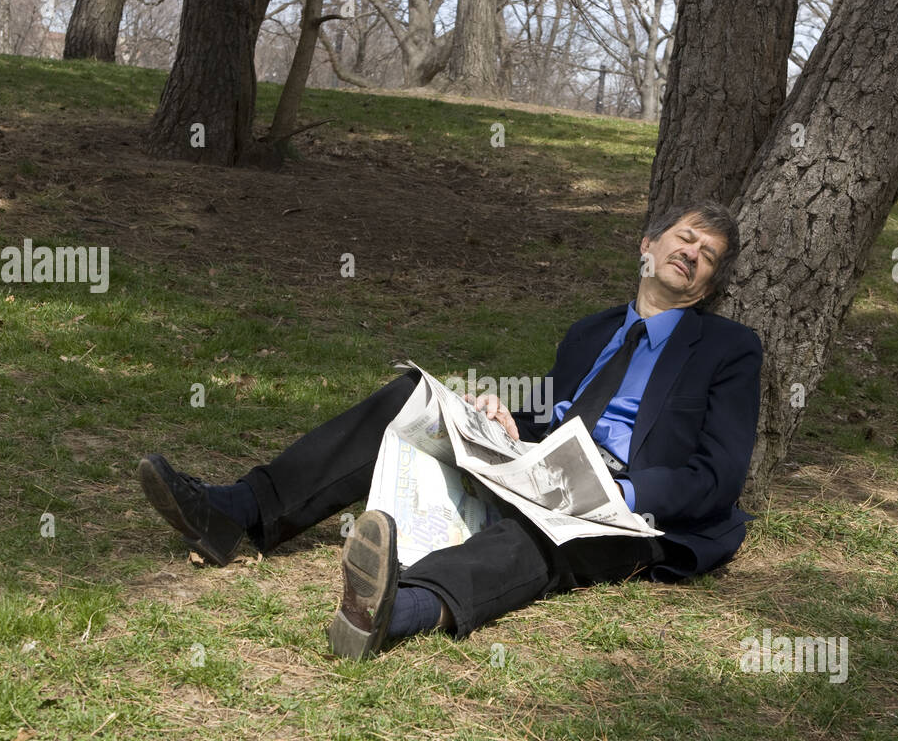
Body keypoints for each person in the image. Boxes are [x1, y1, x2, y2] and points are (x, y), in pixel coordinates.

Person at [138, 199, 763, 660]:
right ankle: (242, 512)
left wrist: (616, 494)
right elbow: (555, 417)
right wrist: (506, 419)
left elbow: (718, 476)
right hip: (546, 467)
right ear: (647, 245)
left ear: (708, 284)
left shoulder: (729, 349)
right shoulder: (589, 333)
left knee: (544, 535)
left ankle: (397, 608)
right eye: (685, 239)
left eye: (706, 255)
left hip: (629, 509)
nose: (691, 254)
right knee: (415, 397)